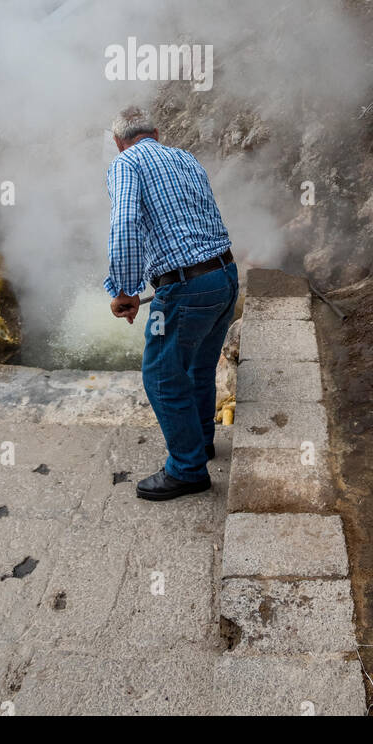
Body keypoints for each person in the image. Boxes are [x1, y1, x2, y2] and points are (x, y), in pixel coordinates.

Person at [104, 106, 238, 500]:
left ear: (117, 142)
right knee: (197, 366)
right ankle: (201, 442)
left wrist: (124, 289)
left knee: (161, 375)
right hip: (225, 277)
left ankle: (187, 469)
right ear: (157, 132)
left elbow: (124, 222)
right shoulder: (184, 157)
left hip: (186, 287)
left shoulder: (125, 163)